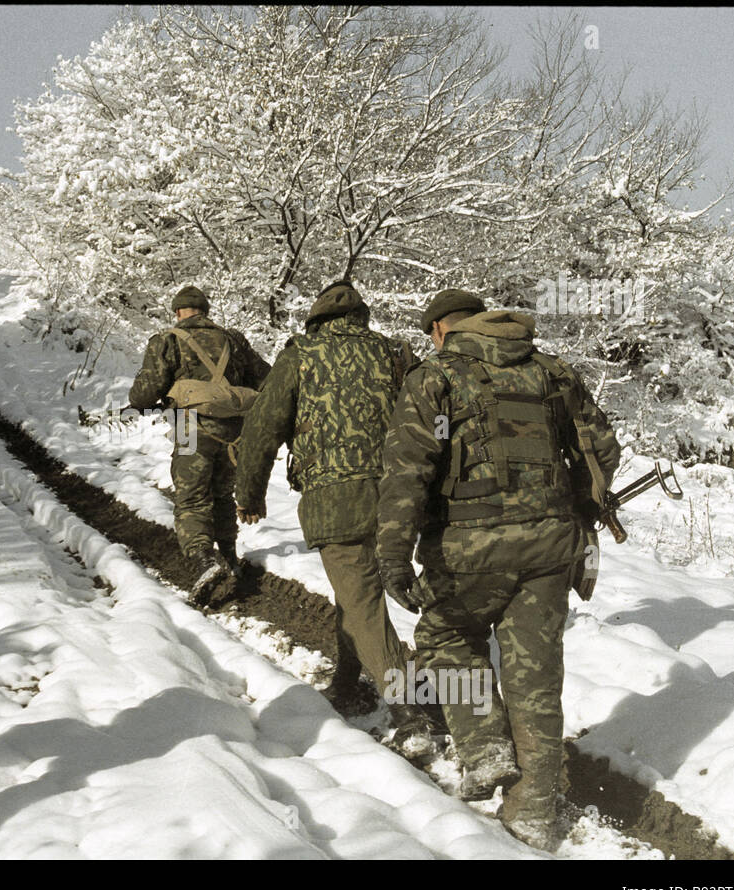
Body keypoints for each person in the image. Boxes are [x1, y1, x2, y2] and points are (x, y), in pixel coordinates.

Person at [376, 289, 620, 851]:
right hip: (552, 546)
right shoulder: (554, 373)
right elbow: (602, 447)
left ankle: (484, 744)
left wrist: (393, 553)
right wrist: (577, 504)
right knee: (536, 676)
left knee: (444, 639)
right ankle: (535, 812)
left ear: (440, 330)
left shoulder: (434, 378)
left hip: (468, 549)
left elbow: (408, 471)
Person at [233, 281, 436, 752]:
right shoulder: (395, 353)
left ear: (316, 319)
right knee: (356, 592)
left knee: (361, 597)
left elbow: (263, 426)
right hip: (398, 496)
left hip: (334, 497)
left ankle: (408, 709)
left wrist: (249, 494)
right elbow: (431, 418)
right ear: (361, 317)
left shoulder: (300, 355)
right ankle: (347, 683)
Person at [128, 285, 270, 605]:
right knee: (221, 494)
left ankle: (204, 561)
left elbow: (142, 394)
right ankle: (230, 558)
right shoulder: (234, 340)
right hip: (234, 433)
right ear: (205, 311)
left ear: (178, 312)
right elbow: (266, 380)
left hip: (190, 430)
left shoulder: (168, 340)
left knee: (192, 497)